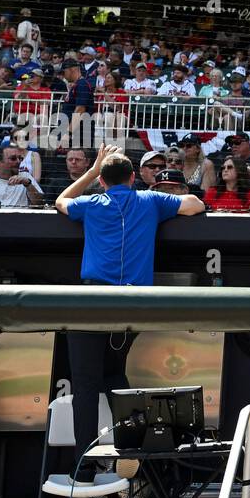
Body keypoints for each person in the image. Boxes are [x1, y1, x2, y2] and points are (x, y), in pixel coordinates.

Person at [54, 146, 205, 478]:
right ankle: (134, 448)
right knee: (113, 376)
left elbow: (61, 201)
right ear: (134, 177)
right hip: (133, 305)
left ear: (103, 181)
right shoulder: (149, 200)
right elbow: (196, 205)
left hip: (93, 300)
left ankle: (85, 464)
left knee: (85, 384)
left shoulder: (94, 201)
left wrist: (91, 172)